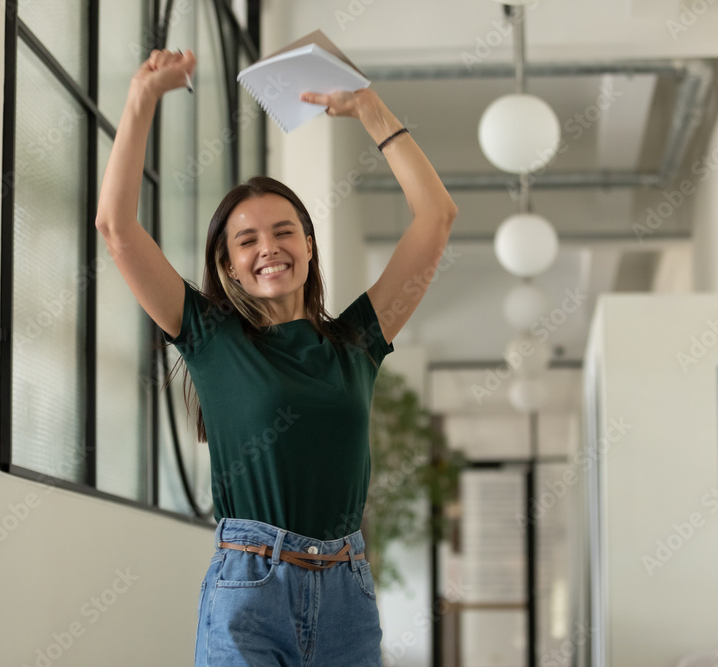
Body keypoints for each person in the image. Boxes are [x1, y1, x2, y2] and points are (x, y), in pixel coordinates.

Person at [95, 47, 457, 667]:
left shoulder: (357, 343)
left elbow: (437, 216)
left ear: (309, 246)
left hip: (347, 591)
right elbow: (117, 228)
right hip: (250, 589)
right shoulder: (210, 338)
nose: (269, 248)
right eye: (247, 239)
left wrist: (369, 108)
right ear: (228, 262)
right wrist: (141, 100)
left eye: (284, 230)